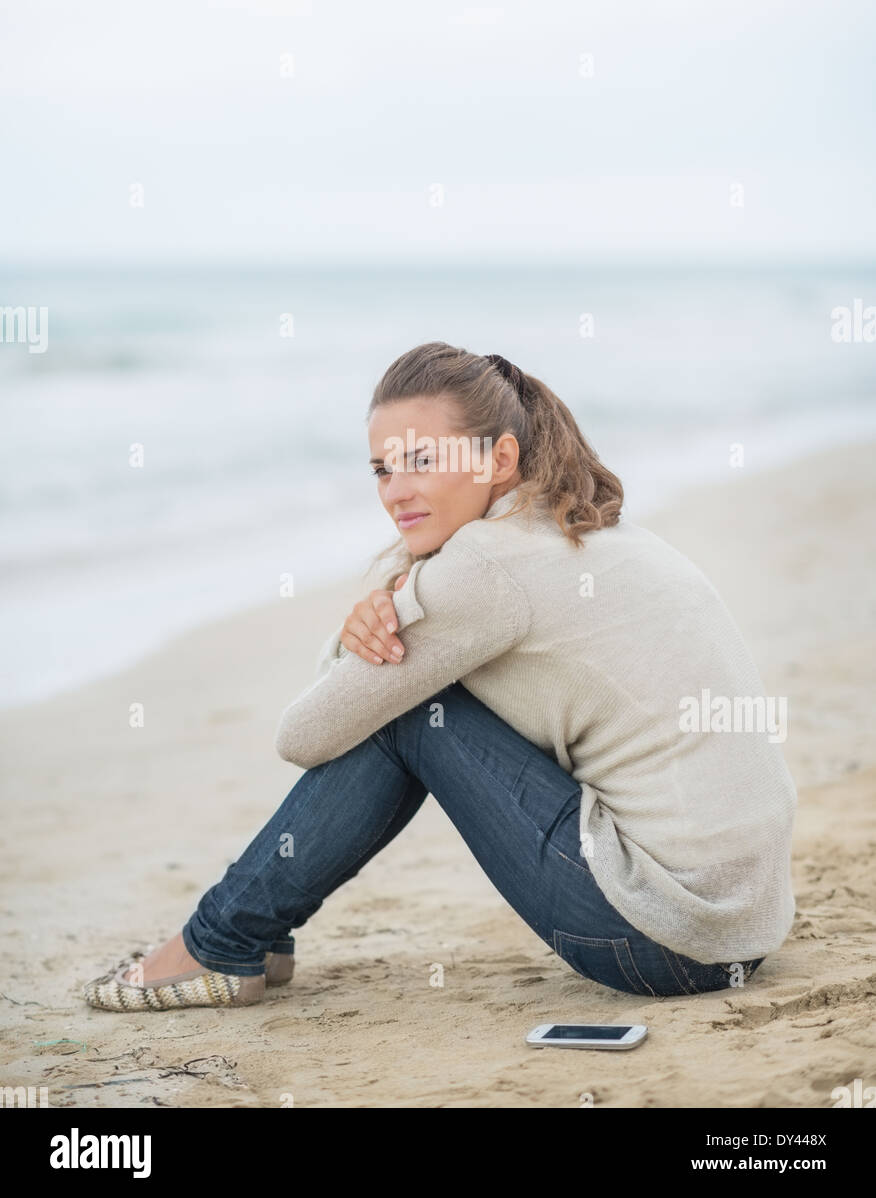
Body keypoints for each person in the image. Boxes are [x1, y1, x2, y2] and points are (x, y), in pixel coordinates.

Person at [84, 341, 796, 1011]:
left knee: (405, 711)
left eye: (421, 459)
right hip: (739, 925)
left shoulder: (487, 566)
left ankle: (221, 943)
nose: (396, 492)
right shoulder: (580, 526)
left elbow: (307, 732)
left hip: (663, 939)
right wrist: (385, 621)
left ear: (500, 457)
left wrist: (364, 628)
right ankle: (244, 938)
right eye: (381, 469)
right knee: (409, 694)